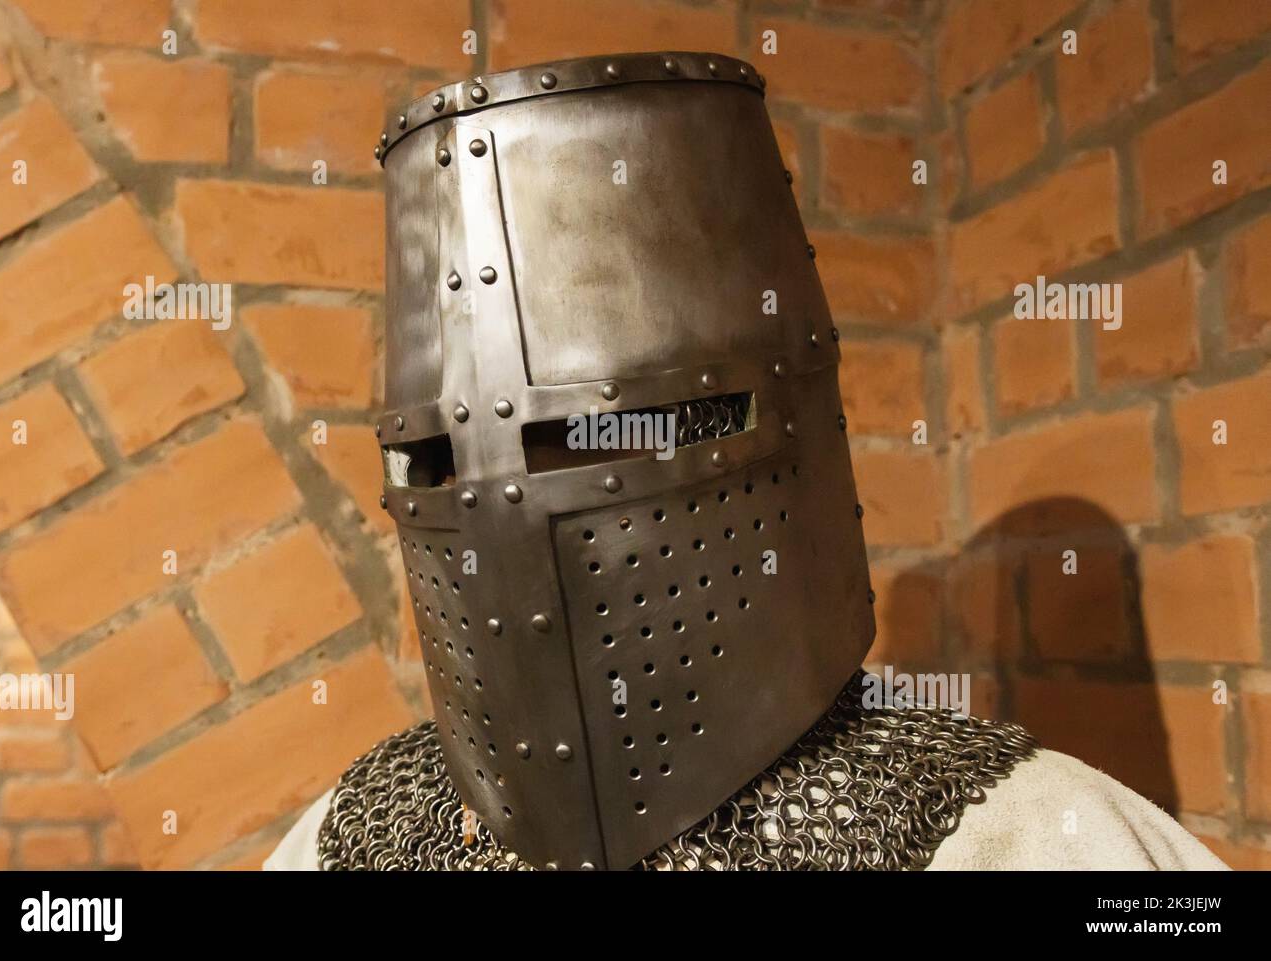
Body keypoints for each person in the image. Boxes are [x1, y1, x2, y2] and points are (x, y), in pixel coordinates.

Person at [268, 52, 1224, 872]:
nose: (501, 503)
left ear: (771, 416)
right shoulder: (349, 841)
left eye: (614, 432)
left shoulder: (1029, 841)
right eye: (432, 460)